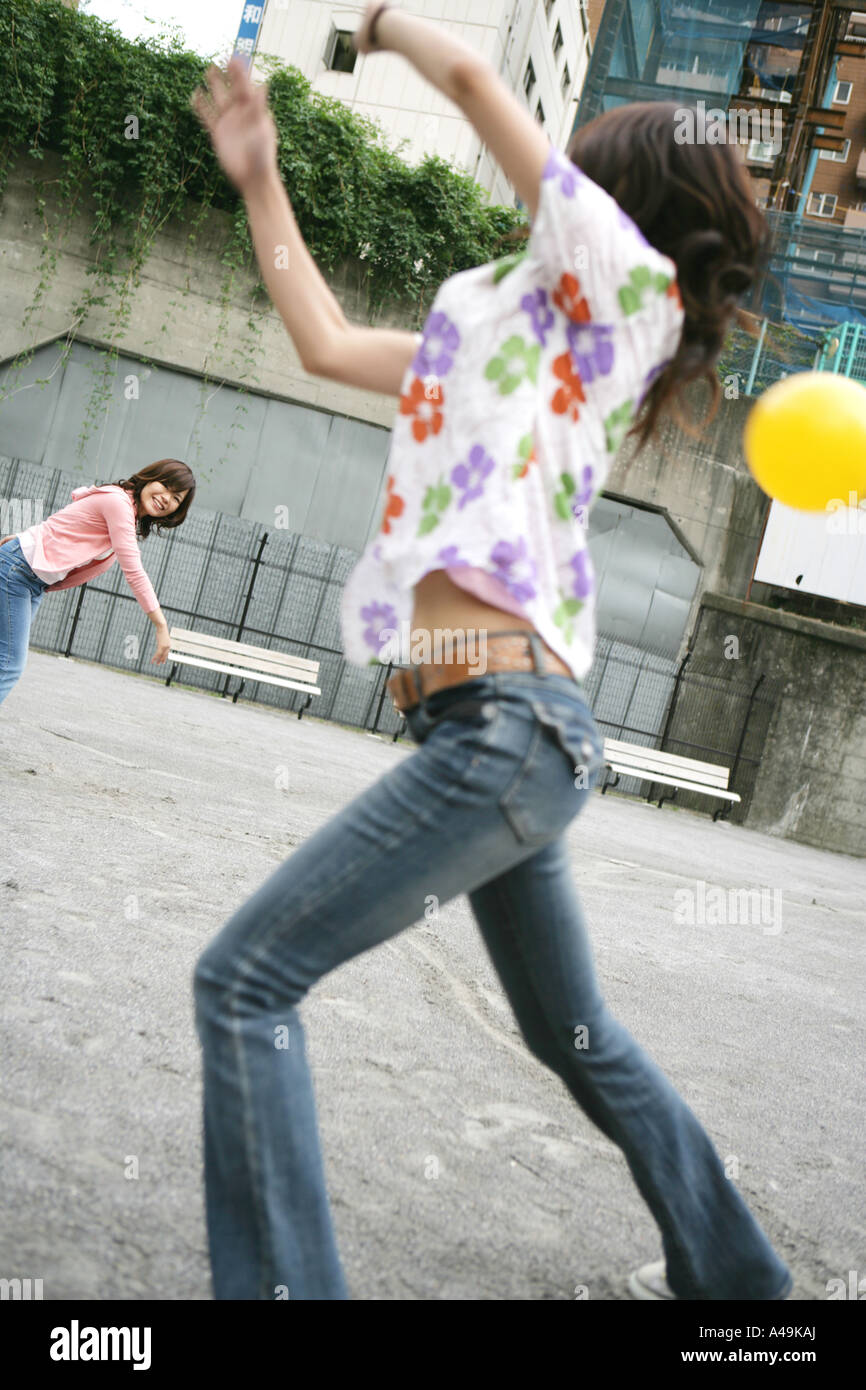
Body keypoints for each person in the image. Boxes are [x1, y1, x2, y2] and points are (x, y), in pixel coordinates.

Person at [189, 4, 792, 1300]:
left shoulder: (620, 307)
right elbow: (324, 339)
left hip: (508, 725)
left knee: (243, 979)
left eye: (577, 162)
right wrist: (260, 176)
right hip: (502, 732)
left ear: (619, 203)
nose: (549, 173)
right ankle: (739, 1277)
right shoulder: (488, 332)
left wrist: (381, 22)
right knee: (576, 1035)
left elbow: (468, 70)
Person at [0, 459, 194, 704]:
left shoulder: (126, 512)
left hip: (31, 579)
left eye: (176, 498)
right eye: (165, 486)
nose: (167, 498)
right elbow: (133, 571)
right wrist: (161, 625)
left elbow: (67, 524)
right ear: (150, 477)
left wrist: (22, 541)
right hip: (19, 571)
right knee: (9, 665)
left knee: (5, 659)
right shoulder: (118, 502)